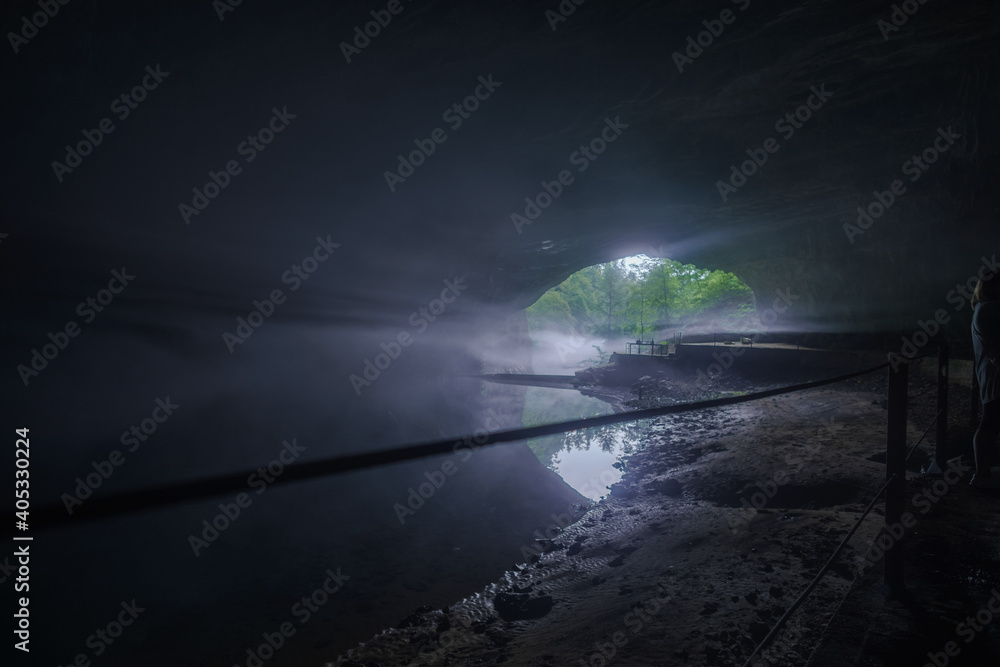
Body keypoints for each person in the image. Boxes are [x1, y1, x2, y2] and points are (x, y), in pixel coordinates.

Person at [970, 272, 1000, 486]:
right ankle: (981, 476)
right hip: (996, 375)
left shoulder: (982, 308)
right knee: (989, 423)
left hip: (991, 374)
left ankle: (982, 475)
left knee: (990, 422)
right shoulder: (991, 309)